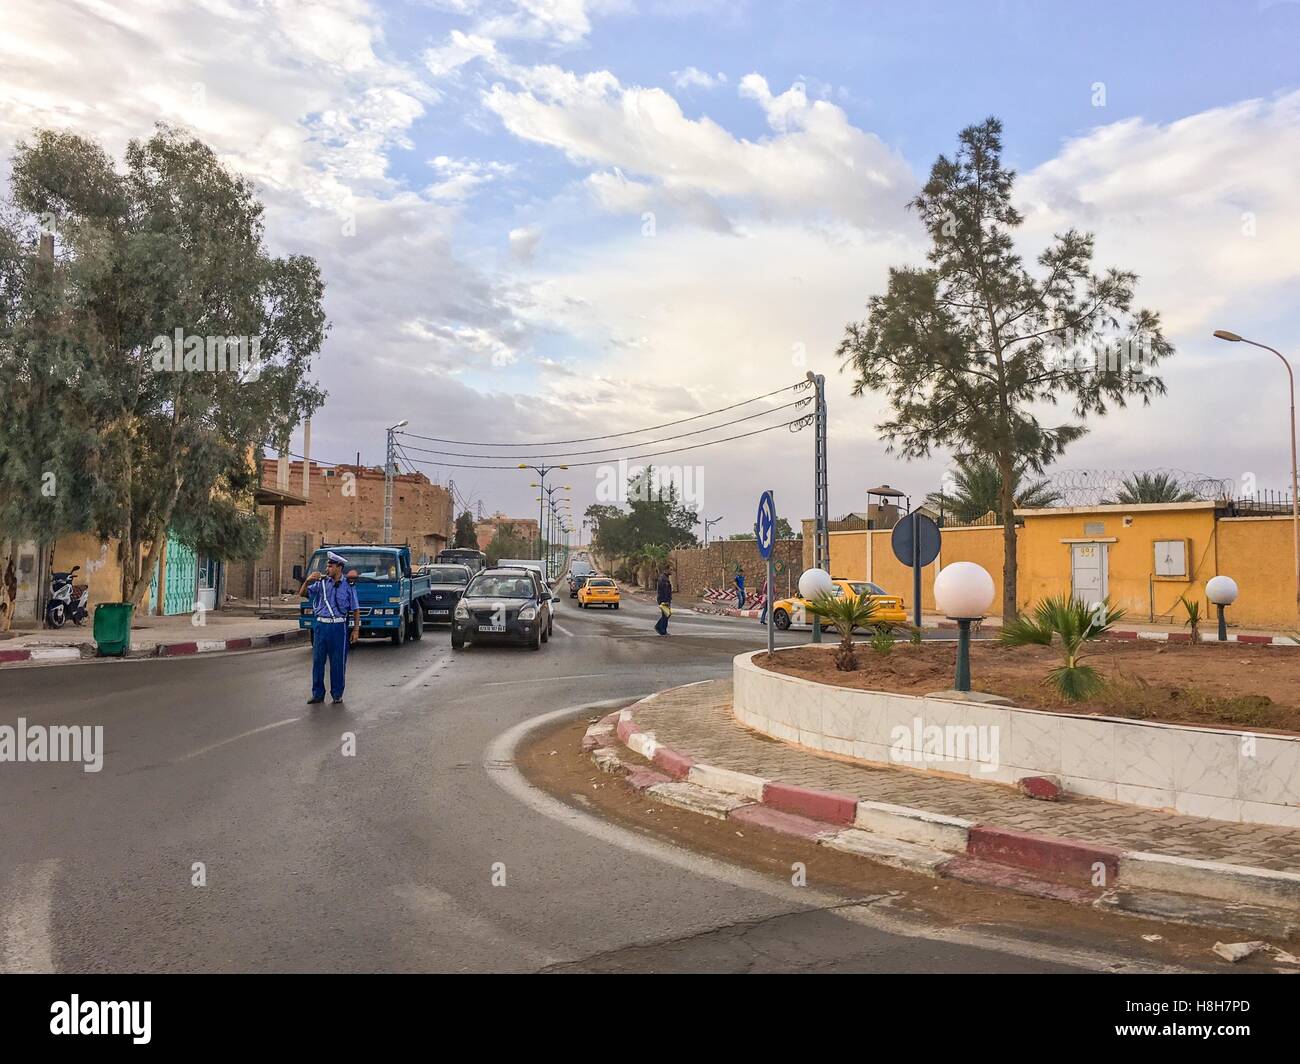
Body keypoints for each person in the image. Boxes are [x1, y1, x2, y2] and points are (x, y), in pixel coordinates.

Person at [299, 551, 359, 704]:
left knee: (338, 662)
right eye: (327, 566)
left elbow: (355, 609)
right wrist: (307, 581)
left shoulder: (348, 585)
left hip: (338, 627)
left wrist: (356, 630)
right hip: (321, 626)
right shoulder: (321, 584)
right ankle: (318, 694)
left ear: (339, 567)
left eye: (331, 566)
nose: (328, 568)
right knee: (318, 661)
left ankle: (337, 694)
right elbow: (303, 593)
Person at [654, 569, 672, 636]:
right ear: (666, 570)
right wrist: (666, 601)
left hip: (664, 599)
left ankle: (659, 627)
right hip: (663, 600)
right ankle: (662, 630)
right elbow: (664, 591)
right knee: (666, 615)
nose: (671, 572)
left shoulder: (664, 578)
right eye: (670, 570)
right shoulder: (663, 579)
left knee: (667, 614)